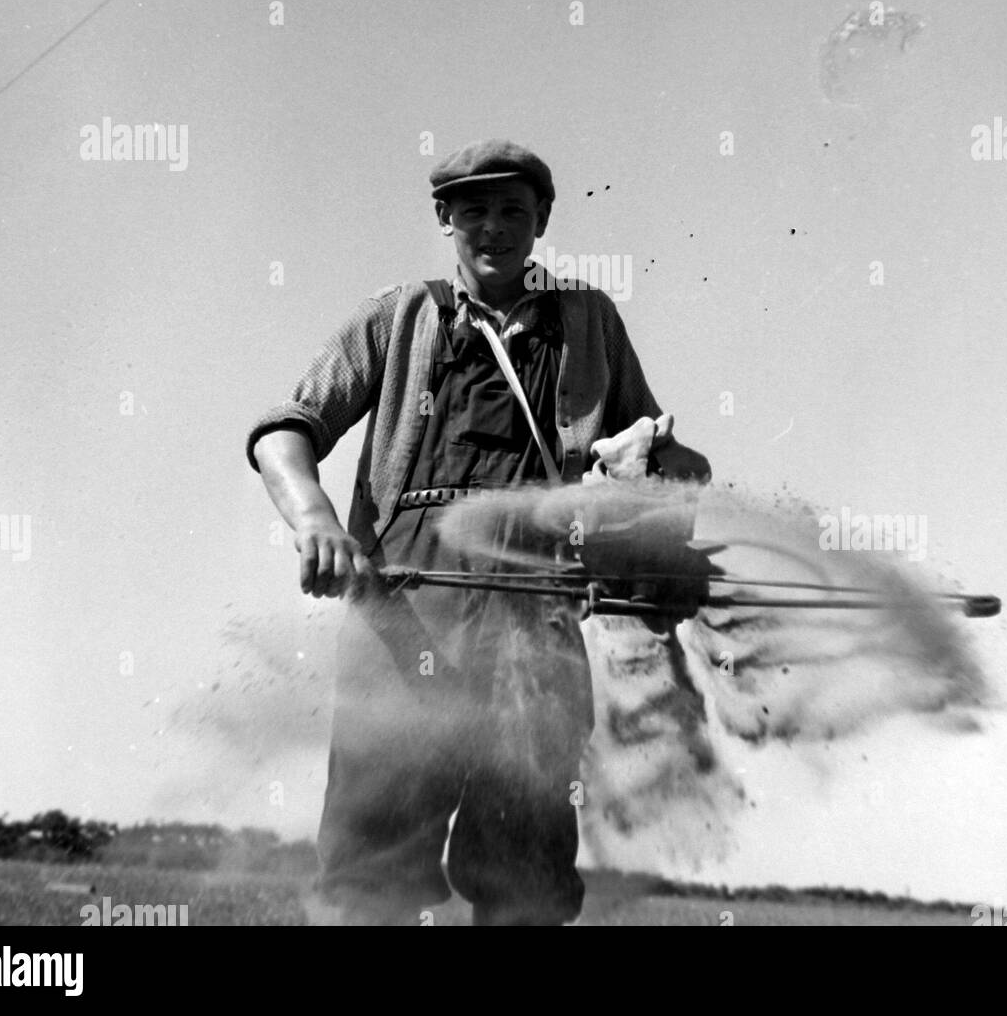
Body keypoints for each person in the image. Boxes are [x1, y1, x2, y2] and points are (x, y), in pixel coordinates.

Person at [246, 138, 709, 925]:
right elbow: (283, 432)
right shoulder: (397, 316)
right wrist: (316, 523)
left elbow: (666, 468)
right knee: (371, 866)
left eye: (512, 212)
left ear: (541, 222)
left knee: (525, 869)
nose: (492, 228)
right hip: (401, 616)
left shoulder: (589, 321)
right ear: (443, 218)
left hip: (538, 623)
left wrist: (655, 464)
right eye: (473, 212)